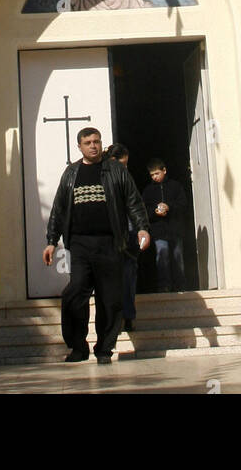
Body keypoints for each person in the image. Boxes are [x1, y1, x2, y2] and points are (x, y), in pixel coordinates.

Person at [44, 127, 150, 364]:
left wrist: (142, 227)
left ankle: (104, 349)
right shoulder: (71, 173)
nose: (93, 146)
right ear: (79, 146)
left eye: (96, 141)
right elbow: (59, 209)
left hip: (110, 243)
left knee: (110, 299)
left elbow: (133, 201)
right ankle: (78, 347)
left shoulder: (115, 170)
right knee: (75, 293)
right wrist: (51, 241)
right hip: (80, 245)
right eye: (88, 142)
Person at [105, 143, 139, 331]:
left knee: (128, 275)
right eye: (123, 163)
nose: (125, 168)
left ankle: (127, 316)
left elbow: (134, 205)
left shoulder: (126, 178)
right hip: (108, 234)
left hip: (127, 233)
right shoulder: (100, 177)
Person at [142, 158, 187, 292]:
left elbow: (183, 205)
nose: (155, 177)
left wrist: (169, 207)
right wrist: (155, 212)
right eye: (152, 175)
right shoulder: (148, 191)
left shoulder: (175, 186)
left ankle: (180, 285)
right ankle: (164, 286)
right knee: (162, 255)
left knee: (177, 257)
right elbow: (143, 210)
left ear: (164, 171)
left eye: (157, 173)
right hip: (158, 230)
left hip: (175, 228)